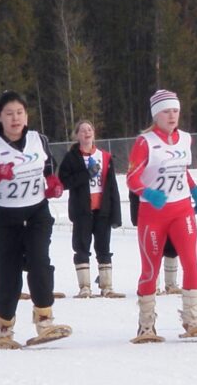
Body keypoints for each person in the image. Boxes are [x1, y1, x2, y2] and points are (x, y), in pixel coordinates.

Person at [0, 90, 71, 349]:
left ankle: (45, 321)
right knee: (8, 275)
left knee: (40, 264)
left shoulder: (39, 141)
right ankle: (3, 329)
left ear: (27, 116)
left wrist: (53, 184)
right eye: (9, 114)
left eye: (20, 113)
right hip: (6, 219)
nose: (15, 119)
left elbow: (49, 170)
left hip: (37, 213)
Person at [127, 89, 197, 343]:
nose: (172, 115)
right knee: (150, 268)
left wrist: (195, 191)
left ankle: (192, 319)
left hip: (181, 209)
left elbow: (181, 170)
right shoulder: (145, 142)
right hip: (153, 213)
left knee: (191, 262)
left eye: (175, 110)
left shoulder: (185, 139)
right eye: (166, 111)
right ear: (156, 115)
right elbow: (132, 178)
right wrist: (148, 192)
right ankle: (146, 325)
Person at [58, 120, 124, 299]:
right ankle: (85, 287)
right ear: (77, 135)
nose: (87, 133)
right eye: (82, 130)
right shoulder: (71, 157)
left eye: (89, 129)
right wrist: (86, 174)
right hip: (82, 211)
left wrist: (116, 213)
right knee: (81, 247)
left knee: (104, 247)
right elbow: (63, 182)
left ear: (94, 133)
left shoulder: (105, 156)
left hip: (102, 210)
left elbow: (112, 187)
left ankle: (107, 286)